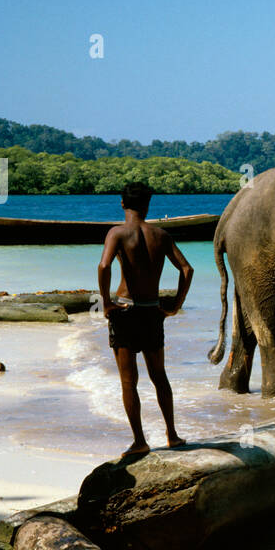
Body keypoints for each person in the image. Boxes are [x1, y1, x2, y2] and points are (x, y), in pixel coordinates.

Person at [97, 182, 194, 457]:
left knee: (129, 381)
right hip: (152, 311)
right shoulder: (160, 235)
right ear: (148, 205)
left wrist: (105, 302)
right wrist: (175, 305)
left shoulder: (117, 233)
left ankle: (139, 441)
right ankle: (172, 435)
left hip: (125, 311)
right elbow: (187, 269)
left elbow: (104, 266)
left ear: (122, 203)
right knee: (159, 376)